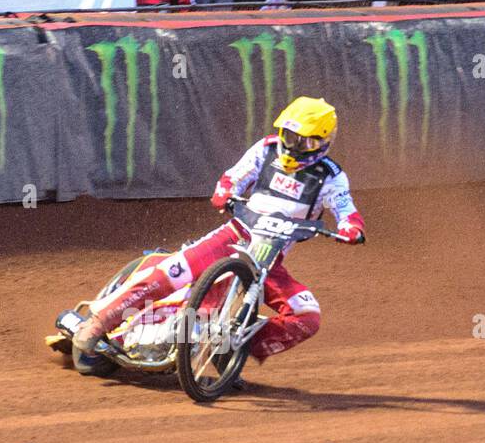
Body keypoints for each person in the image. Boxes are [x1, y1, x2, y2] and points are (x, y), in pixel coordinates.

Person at [71, 97, 365, 372]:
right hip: (233, 235)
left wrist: (351, 228)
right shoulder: (266, 149)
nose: (294, 147)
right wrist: (225, 192)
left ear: (323, 141)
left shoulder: (331, 177)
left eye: (305, 141)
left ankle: (233, 346)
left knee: (308, 317)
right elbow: (234, 176)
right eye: (290, 137)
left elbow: (345, 209)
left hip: (268, 260)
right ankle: (99, 323)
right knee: (171, 272)